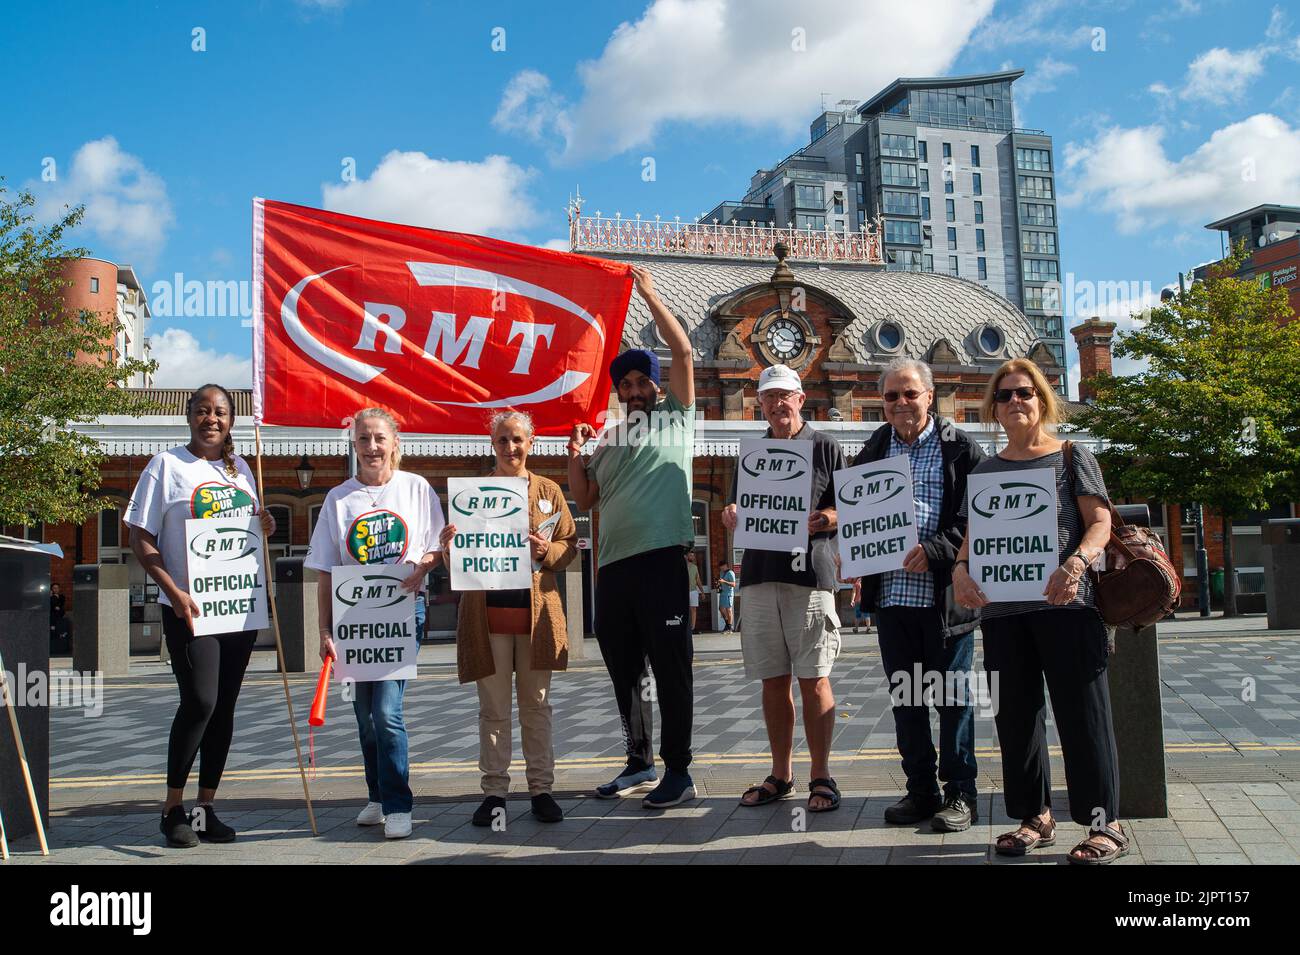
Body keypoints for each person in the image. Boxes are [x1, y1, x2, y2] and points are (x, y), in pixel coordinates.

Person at [952, 359, 1126, 864]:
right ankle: (1035, 817)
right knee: (1017, 718)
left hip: (1068, 605)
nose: (1014, 403)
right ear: (993, 407)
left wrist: (1075, 564)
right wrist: (961, 572)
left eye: (1024, 393)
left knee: (1083, 716)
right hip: (1004, 614)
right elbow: (970, 539)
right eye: (1004, 396)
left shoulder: (1073, 456)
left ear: (1042, 399)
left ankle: (1104, 824)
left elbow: (1100, 523)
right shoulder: (984, 471)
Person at [568, 264, 697, 809]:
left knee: (671, 667)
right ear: (619, 392)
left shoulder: (677, 417)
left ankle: (680, 772)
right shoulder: (609, 437)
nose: (636, 390)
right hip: (613, 568)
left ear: (656, 385)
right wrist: (576, 455)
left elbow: (685, 352)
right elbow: (586, 499)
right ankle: (639, 760)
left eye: (643, 381)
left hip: (662, 561)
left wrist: (649, 295)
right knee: (626, 670)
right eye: (627, 384)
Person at [126, 383, 275, 849]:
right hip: (189, 608)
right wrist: (174, 592)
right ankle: (172, 807)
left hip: (237, 605)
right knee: (201, 701)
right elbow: (141, 537)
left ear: (231, 420)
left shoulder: (241, 470)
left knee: (225, 706)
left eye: (221, 412)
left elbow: (249, 532)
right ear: (189, 415)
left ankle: (205, 807)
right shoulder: (165, 466)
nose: (212, 419)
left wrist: (265, 523)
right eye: (204, 411)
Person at [848, 357, 986, 831]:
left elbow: (977, 518)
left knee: (952, 700)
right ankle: (921, 791)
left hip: (945, 601)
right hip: (892, 602)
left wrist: (936, 549)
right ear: (881, 403)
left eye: (911, 393)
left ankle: (960, 794)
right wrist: (854, 553)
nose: (902, 403)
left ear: (929, 396)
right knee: (907, 702)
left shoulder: (960, 449)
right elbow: (857, 515)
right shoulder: (872, 450)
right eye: (891, 396)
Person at [307, 408, 444, 840]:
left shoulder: (416, 489)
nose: (371, 447)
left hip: (403, 613)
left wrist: (423, 567)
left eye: (379, 438)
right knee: (364, 716)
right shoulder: (337, 499)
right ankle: (378, 796)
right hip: (353, 618)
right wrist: (325, 630)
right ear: (354, 445)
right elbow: (326, 570)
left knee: (386, 711)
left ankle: (399, 804)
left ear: (394, 444)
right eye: (363, 439)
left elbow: (435, 547)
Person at [442, 411, 578, 826]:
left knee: (537, 708)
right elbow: (460, 561)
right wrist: (449, 548)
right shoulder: (473, 494)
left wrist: (546, 552)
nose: (510, 447)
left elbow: (570, 545)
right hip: (488, 622)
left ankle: (541, 790)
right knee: (494, 711)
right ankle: (495, 793)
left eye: (517, 439)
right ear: (492, 444)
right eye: (502, 440)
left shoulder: (549, 490)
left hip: (536, 620)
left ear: (531, 442)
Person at [723, 364, 844, 812]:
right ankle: (781, 773)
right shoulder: (752, 452)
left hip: (809, 576)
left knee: (814, 678)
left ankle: (822, 775)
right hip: (758, 575)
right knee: (772, 680)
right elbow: (736, 504)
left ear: (800, 398)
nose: (777, 405)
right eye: (768, 397)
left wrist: (827, 518)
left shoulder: (824, 445)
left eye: (784, 396)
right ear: (761, 404)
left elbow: (846, 507)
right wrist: (730, 514)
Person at [716, 562, 737, 632]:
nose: (720, 568)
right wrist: (718, 584)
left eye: (721, 566)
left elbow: (734, 584)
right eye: (720, 567)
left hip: (728, 594)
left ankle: (729, 627)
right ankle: (727, 624)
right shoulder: (722, 573)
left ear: (725, 565)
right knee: (721, 608)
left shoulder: (731, 573)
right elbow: (721, 582)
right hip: (723, 593)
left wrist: (724, 581)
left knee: (729, 610)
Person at [685, 551, 702, 633]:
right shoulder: (682, 566)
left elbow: (698, 580)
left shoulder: (695, 567)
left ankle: (693, 628)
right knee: (686, 609)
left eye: (693, 556)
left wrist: (702, 591)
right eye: (690, 555)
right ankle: (686, 627)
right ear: (686, 556)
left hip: (693, 591)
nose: (692, 557)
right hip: (684, 591)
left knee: (693, 609)